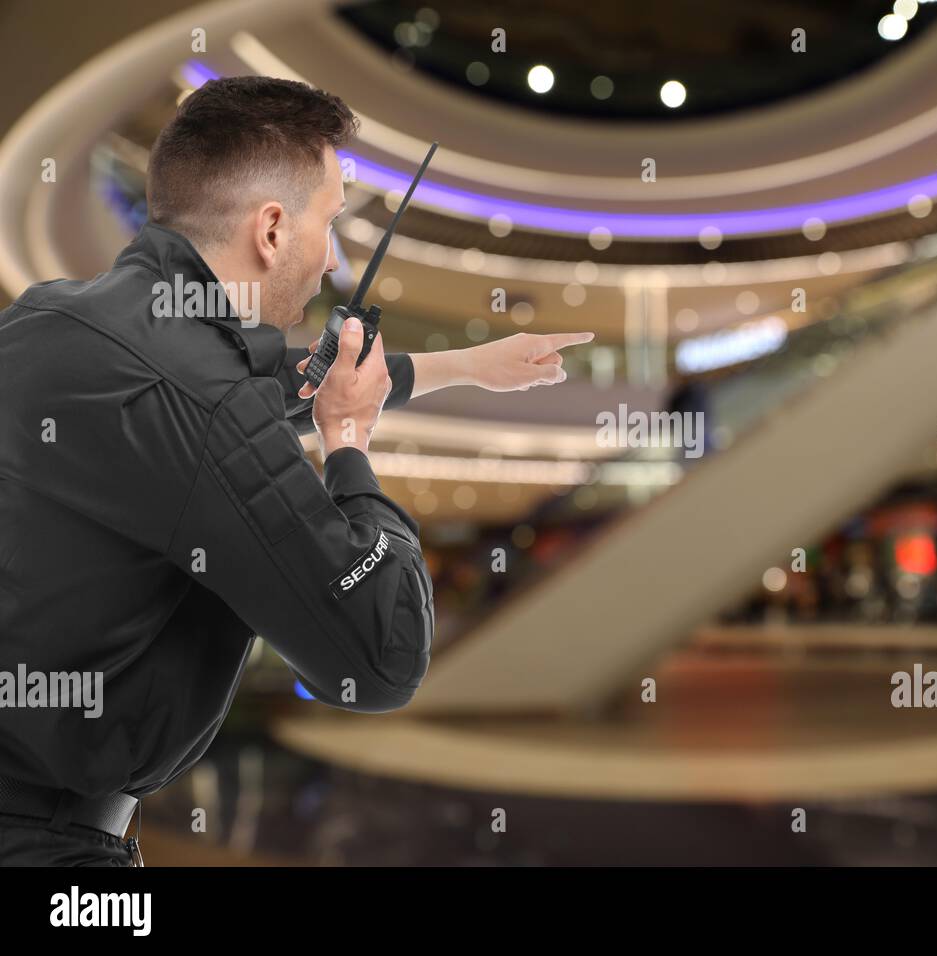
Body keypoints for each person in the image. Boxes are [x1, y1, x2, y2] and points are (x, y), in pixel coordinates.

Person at [0, 76, 592, 865]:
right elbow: (381, 657)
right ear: (273, 230)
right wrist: (348, 441)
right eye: (332, 221)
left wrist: (470, 366)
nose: (336, 258)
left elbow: (265, 376)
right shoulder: (205, 401)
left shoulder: (51, 319)